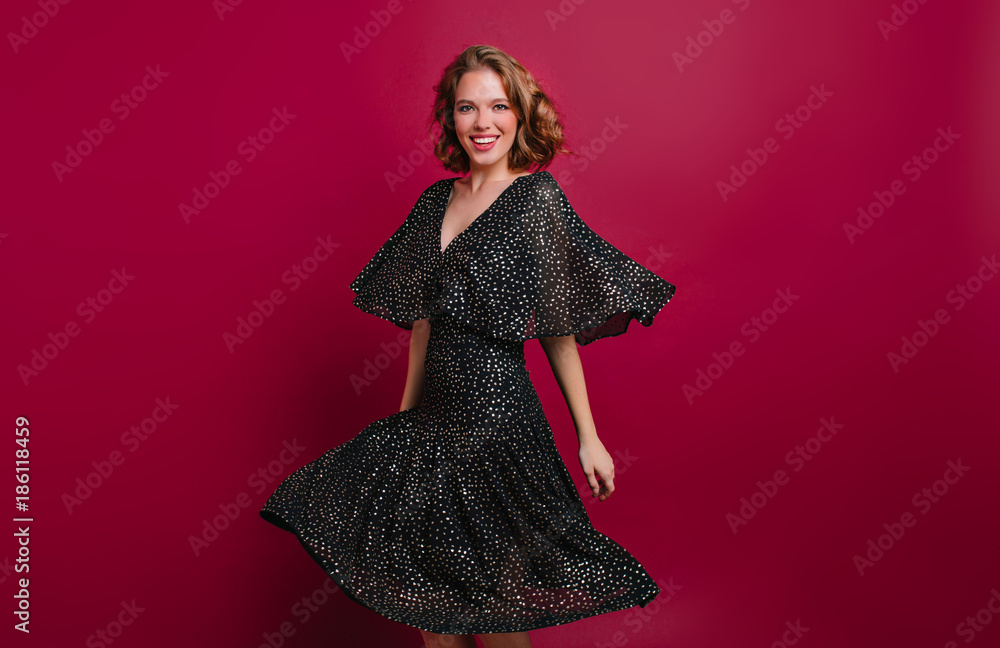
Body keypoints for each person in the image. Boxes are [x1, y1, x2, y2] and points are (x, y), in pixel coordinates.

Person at [259, 44, 677, 648]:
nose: (484, 122)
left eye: (499, 106)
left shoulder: (536, 199)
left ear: (522, 114)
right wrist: (403, 423)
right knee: (434, 622)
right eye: (467, 107)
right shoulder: (435, 202)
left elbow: (557, 330)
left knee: (495, 619)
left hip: (498, 429)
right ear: (451, 118)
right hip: (432, 427)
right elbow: (423, 325)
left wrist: (588, 437)